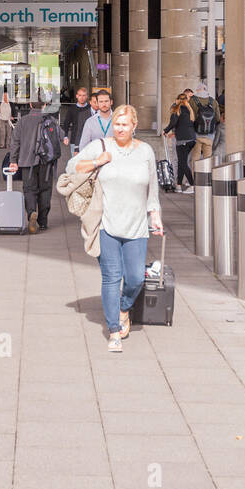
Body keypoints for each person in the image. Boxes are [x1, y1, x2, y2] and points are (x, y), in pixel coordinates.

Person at [66, 104, 162, 354]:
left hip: (137, 226)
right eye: (117, 124)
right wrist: (98, 161)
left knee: (134, 278)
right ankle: (114, 329)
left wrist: (155, 215)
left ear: (134, 126)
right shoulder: (101, 146)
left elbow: (153, 187)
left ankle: (123, 307)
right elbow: (71, 167)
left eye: (125, 124)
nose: (120, 128)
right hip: (106, 225)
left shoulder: (146, 152)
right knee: (111, 277)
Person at [7, 96, 63, 233]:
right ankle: (43, 221)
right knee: (45, 190)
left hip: (27, 161)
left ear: (31, 105)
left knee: (29, 189)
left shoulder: (23, 121)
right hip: (47, 162)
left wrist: (13, 160)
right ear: (44, 105)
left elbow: (15, 142)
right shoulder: (51, 120)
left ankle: (32, 212)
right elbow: (60, 136)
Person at [163, 93, 196, 193]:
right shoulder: (189, 110)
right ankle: (178, 185)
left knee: (182, 163)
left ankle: (192, 185)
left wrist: (165, 130)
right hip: (191, 140)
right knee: (182, 162)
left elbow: (173, 122)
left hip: (182, 140)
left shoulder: (176, 109)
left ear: (177, 100)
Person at [188, 83, 220, 163]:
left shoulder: (192, 100)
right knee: (208, 158)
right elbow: (218, 118)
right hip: (209, 135)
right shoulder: (213, 101)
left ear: (198, 90)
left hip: (196, 134)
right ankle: (207, 174)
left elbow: (189, 117)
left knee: (195, 157)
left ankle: (194, 174)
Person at [61, 87, 94, 155]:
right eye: (80, 95)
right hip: (75, 139)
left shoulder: (91, 108)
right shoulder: (72, 109)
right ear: (76, 96)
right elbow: (66, 124)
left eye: (84, 95)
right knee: (75, 162)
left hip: (89, 139)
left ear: (87, 96)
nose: (82, 97)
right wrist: (65, 136)